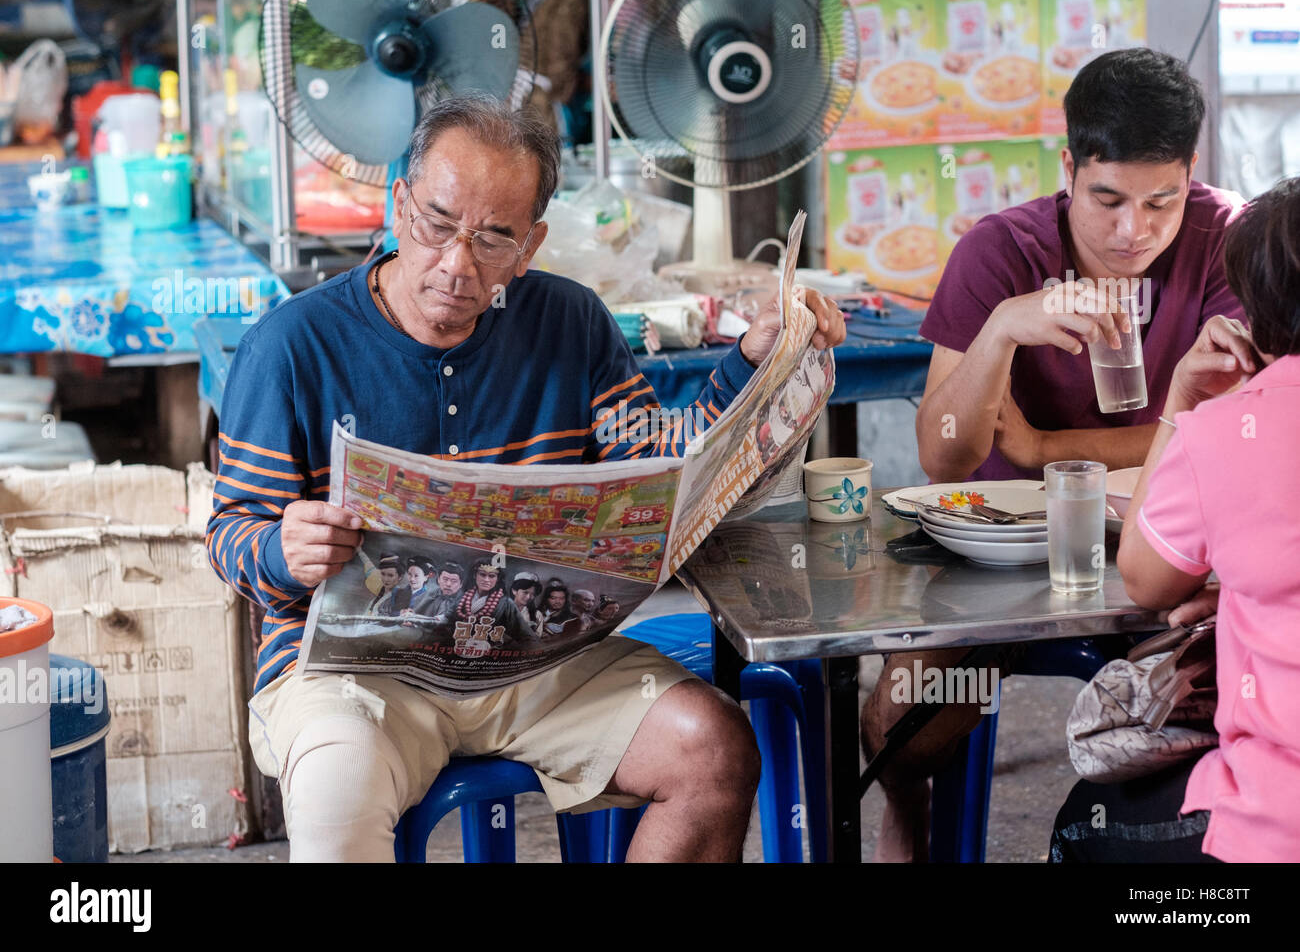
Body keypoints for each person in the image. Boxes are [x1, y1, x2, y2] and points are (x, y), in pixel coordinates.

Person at [206, 93, 847, 862]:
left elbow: (656, 461)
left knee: (713, 750)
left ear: (532, 244)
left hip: (537, 660)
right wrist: (284, 549)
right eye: (437, 224)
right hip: (354, 675)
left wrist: (752, 361)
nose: (456, 263)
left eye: (493, 239)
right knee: (333, 789)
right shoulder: (292, 345)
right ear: (401, 205)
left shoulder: (570, 322)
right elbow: (230, 532)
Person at [863, 48, 1247, 862]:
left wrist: (1042, 445)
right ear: (1068, 167)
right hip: (1005, 560)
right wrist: (1002, 329)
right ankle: (908, 817)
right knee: (902, 723)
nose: (1131, 231)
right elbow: (945, 458)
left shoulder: (1228, 244)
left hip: (1170, 558)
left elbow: (1230, 431)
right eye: (1106, 198)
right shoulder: (999, 253)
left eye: (1161, 201)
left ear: (1192, 174)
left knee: (1227, 704)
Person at [1054, 176, 1300, 862]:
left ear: (1256, 307)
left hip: (1279, 818)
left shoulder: (1225, 431)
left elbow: (1146, 582)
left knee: (1083, 824)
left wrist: (1183, 403)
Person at [364, 553, 409, 617]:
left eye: (390, 575)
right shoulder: (380, 593)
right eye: (383, 574)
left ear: (400, 577)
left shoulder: (400, 598)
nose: (385, 579)